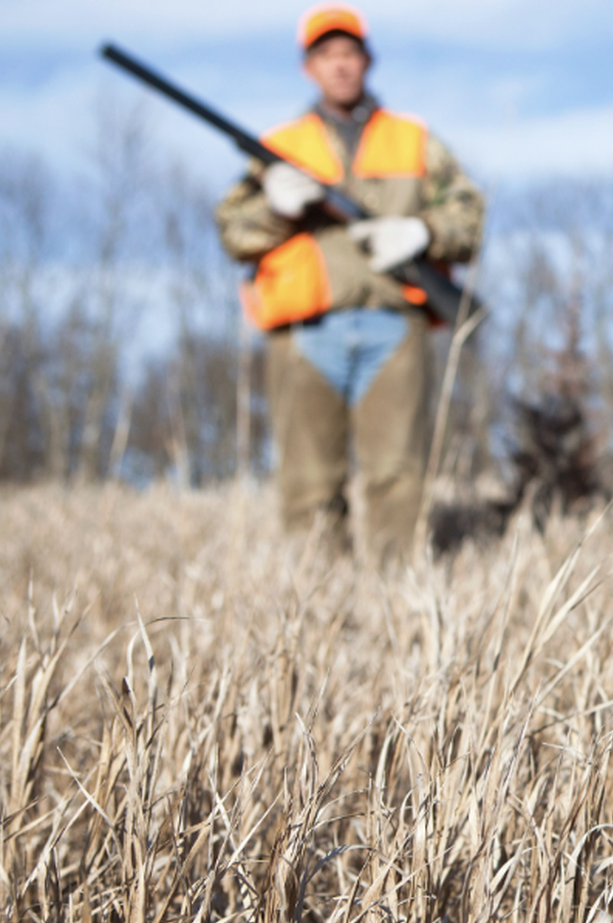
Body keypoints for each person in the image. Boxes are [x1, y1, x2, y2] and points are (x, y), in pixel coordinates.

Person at [216, 3, 484, 562]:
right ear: (307, 68)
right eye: (326, 55)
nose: (339, 65)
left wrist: (422, 231)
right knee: (308, 484)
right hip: (304, 333)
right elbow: (233, 231)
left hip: (395, 326)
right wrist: (274, 209)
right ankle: (317, 603)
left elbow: (469, 215)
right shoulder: (278, 147)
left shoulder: (414, 139)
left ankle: (396, 599)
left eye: (349, 53)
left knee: (398, 478)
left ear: (367, 61)